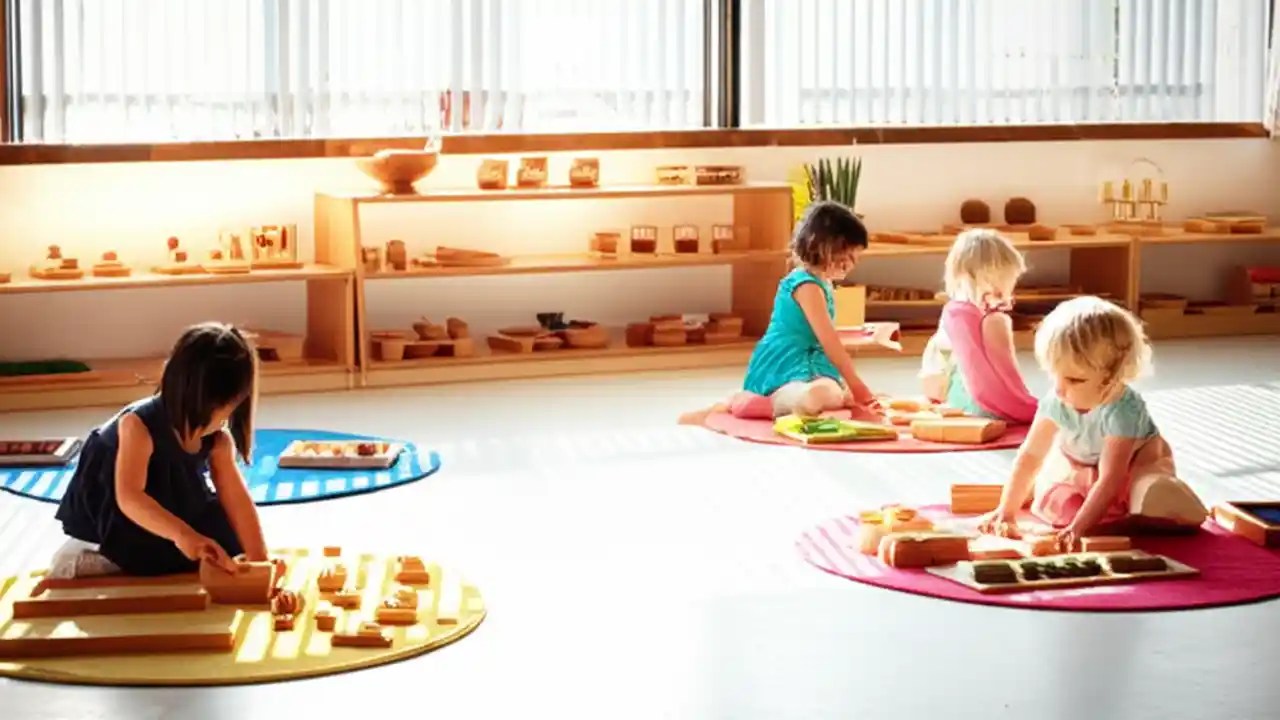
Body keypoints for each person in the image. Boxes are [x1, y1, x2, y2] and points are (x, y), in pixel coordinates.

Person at [977, 297, 1208, 550]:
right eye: (1054, 375)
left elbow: (1111, 477)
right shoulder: (1057, 400)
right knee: (1059, 505)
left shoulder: (1122, 410)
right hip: (1079, 471)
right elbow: (1030, 455)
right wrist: (1006, 511)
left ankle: (1140, 512)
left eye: (1074, 380)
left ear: (1112, 378)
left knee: (1153, 498)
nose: (1059, 389)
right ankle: (1111, 518)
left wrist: (1079, 529)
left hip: (1132, 471)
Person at [51, 322, 269, 577]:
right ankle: (84, 558)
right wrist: (183, 535)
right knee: (149, 556)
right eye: (227, 408)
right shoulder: (137, 426)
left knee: (228, 543)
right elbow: (130, 497)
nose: (228, 416)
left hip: (170, 499)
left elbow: (236, 500)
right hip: (122, 506)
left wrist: (259, 559)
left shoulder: (217, 439)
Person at [737, 200, 879, 419]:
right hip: (786, 363)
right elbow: (830, 342)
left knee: (832, 395)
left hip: (812, 364)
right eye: (848, 257)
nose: (852, 264)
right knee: (823, 396)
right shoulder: (807, 286)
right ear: (826, 250)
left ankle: (793, 399)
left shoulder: (823, 282)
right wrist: (858, 386)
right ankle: (767, 404)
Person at [919, 229, 1037, 423]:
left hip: (956, 393)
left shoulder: (962, 310)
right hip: (971, 402)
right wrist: (1024, 407)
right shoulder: (963, 314)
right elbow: (979, 378)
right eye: (998, 283)